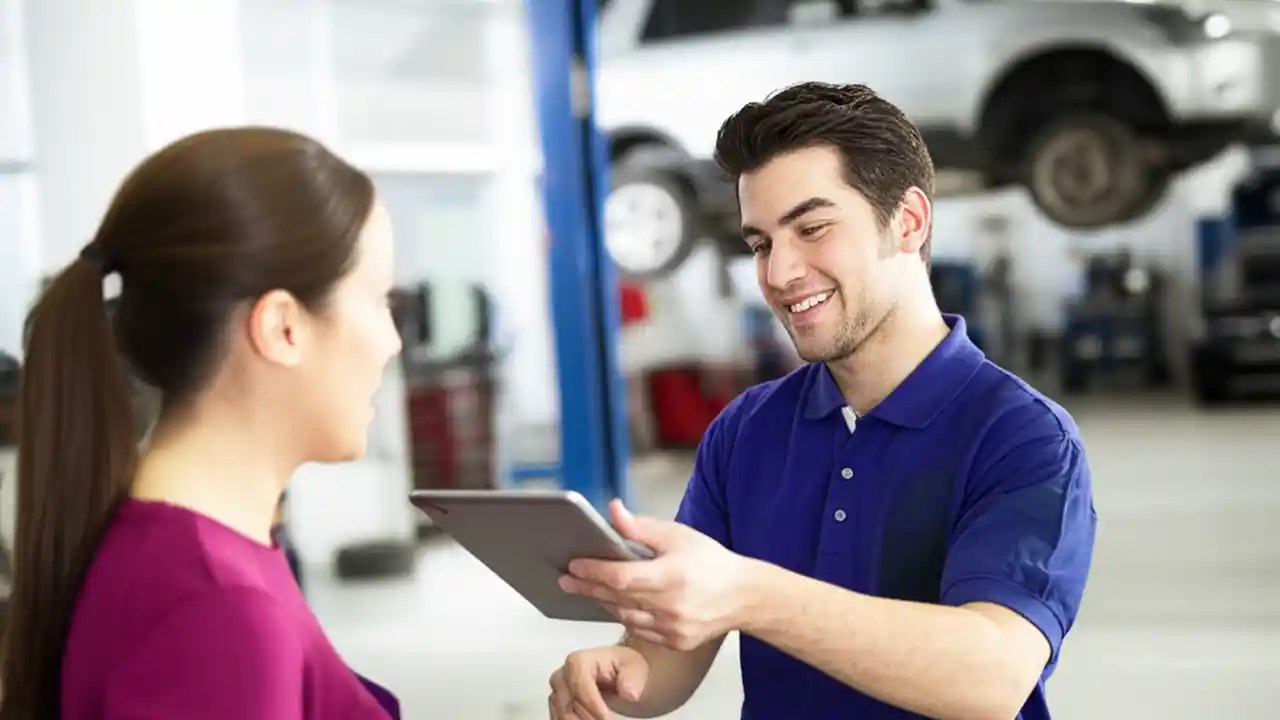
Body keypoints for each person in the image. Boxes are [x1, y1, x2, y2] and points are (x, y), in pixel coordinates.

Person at [549, 82, 1097, 720]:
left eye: (811, 229)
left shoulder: (1022, 437)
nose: (778, 273)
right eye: (761, 244)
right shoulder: (746, 430)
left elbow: (991, 678)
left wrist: (752, 594)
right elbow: (674, 649)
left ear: (908, 221)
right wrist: (621, 674)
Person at [0, 127, 404, 719]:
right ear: (282, 328)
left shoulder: (198, 558)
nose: (393, 341)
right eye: (380, 301)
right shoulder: (218, 604)